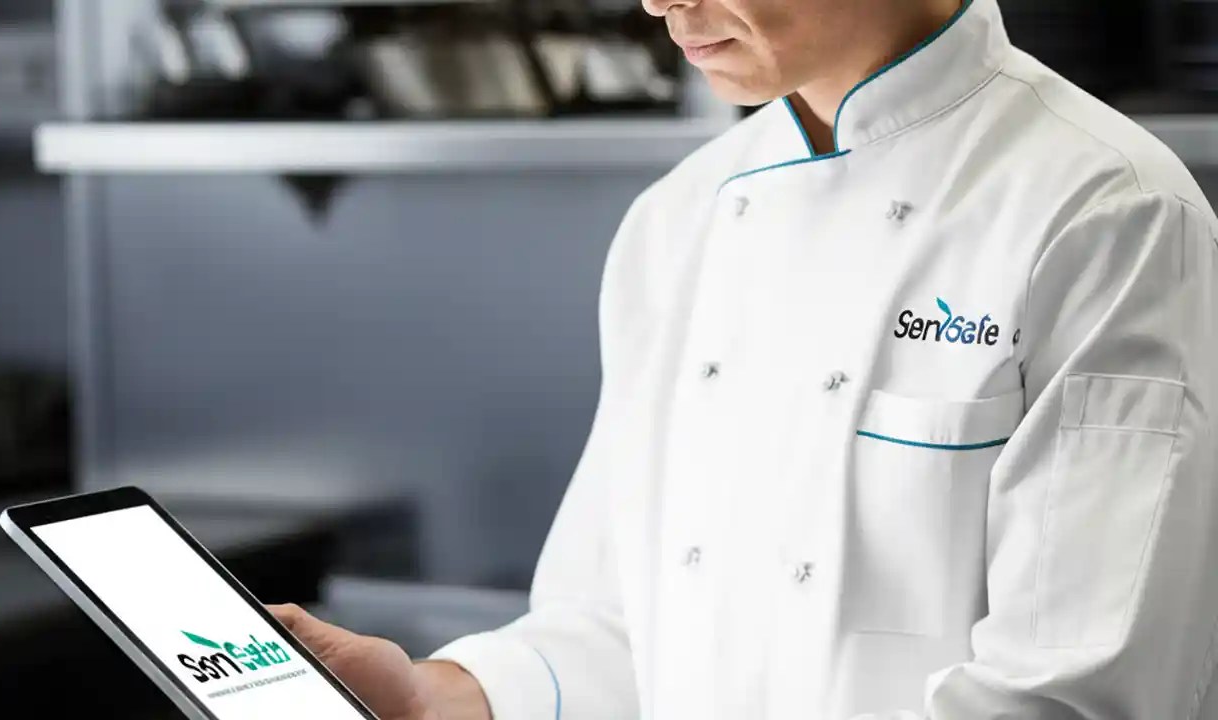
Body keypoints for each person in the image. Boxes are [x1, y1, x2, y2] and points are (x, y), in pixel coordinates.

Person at [270, 0, 1218, 716]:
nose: (658, 2)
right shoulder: (680, 218)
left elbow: (1076, 690)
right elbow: (628, 620)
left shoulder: (1105, 212)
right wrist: (435, 696)